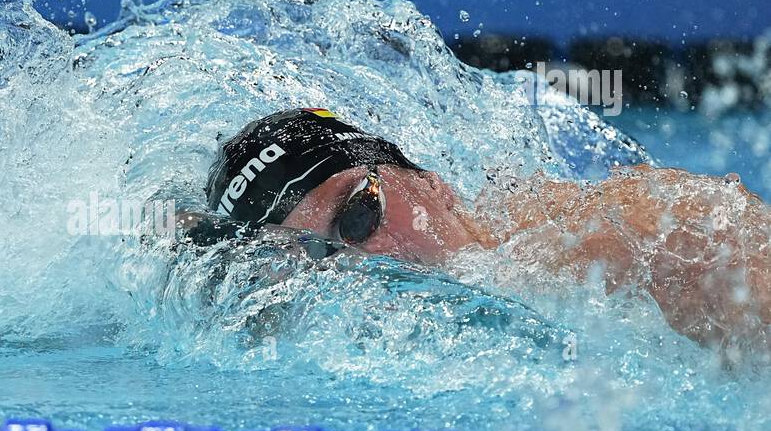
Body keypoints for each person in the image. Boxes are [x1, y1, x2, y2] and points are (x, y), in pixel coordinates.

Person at [195, 107, 771, 355]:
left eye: (358, 216)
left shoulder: (632, 239)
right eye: (317, 259)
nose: (361, 263)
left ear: (428, 181)